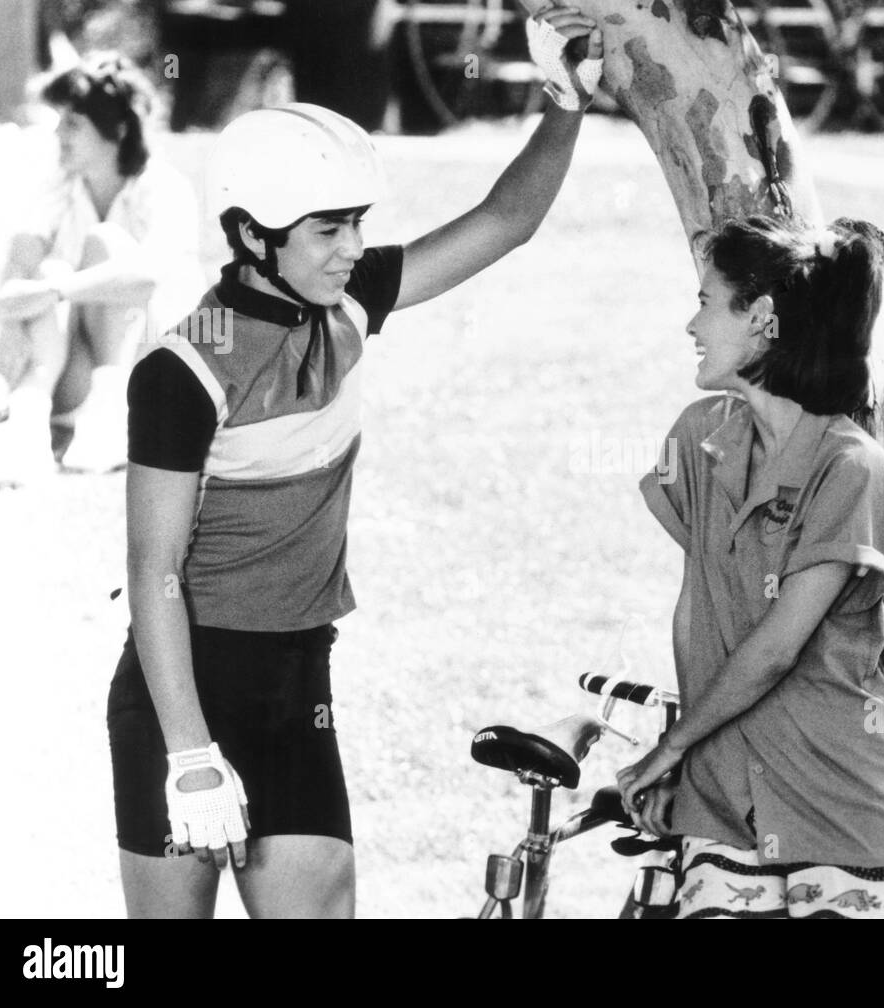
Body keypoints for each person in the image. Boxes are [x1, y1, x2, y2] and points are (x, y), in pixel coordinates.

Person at [107, 6, 603, 918]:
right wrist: (188, 753)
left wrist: (565, 97)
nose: (353, 248)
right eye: (328, 229)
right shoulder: (184, 371)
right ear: (255, 235)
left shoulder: (344, 300)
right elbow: (154, 568)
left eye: (356, 226)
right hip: (184, 684)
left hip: (298, 680)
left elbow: (507, 221)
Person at [615, 214, 884, 919]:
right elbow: (697, 604)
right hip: (727, 798)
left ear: (761, 318)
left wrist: (672, 747)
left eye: (705, 302)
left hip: (845, 802)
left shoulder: (853, 469)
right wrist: (690, 758)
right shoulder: (699, 438)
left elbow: (776, 649)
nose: (690, 327)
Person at [0, 52, 202, 485]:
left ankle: (109, 416)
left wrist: (57, 290)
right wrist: (13, 323)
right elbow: (18, 268)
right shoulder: (56, 186)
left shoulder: (163, 187)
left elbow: (147, 277)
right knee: (45, 271)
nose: (59, 135)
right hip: (67, 367)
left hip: (157, 370)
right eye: (60, 122)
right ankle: (28, 420)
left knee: (103, 247)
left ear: (117, 130)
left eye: (73, 124)